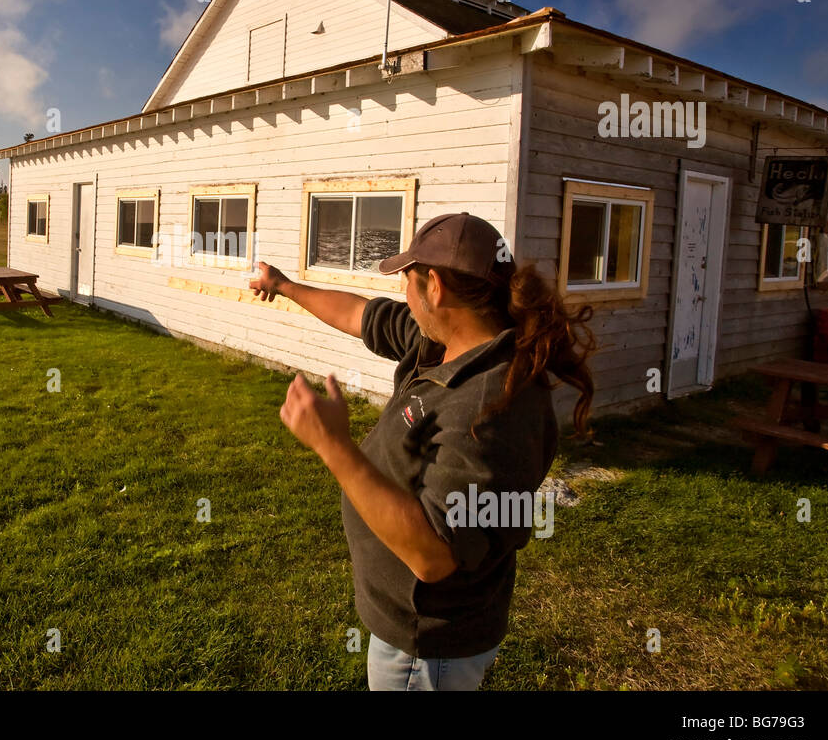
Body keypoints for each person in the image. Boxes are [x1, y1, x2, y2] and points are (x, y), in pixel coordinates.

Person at [249, 212, 596, 690]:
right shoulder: (442, 344)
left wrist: (334, 447)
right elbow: (359, 314)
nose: (403, 299)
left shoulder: (489, 407)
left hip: (427, 648)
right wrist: (285, 286)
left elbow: (434, 555)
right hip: (410, 631)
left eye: (407, 283)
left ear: (434, 286)